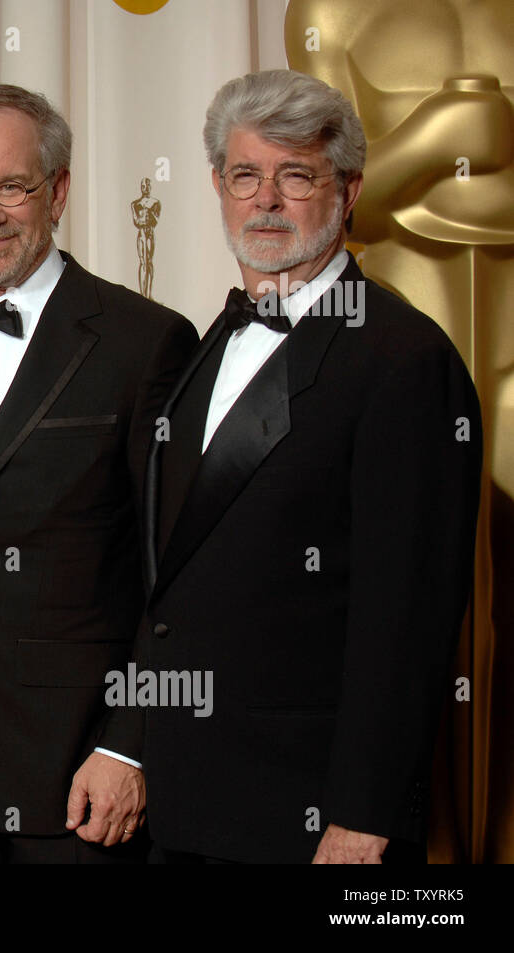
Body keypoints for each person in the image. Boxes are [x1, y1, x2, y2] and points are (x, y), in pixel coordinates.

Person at [137, 69, 483, 864]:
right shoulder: (207, 344)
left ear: (349, 189)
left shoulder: (404, 359)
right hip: (185, 805)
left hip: (313, 820)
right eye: (245, 175)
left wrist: (366, 814)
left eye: (296, 176)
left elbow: (411, 615)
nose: (265, 201)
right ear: (218, 186)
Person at [0, 83, 198, 862]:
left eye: (12, 187)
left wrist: (129, 746)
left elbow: (179, 571)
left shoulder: (146, 342)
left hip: (78, 780)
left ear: (58, 191)